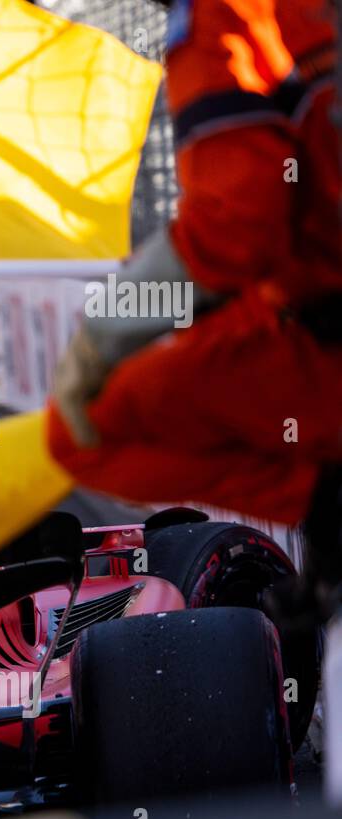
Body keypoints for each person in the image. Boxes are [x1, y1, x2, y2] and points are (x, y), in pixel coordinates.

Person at [49, 0, 342, 607]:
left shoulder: (221, 17)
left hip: (322, 336)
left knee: (82, 431)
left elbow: (236, 224)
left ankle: (327, 502)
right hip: (301, 296)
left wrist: (102, 333)